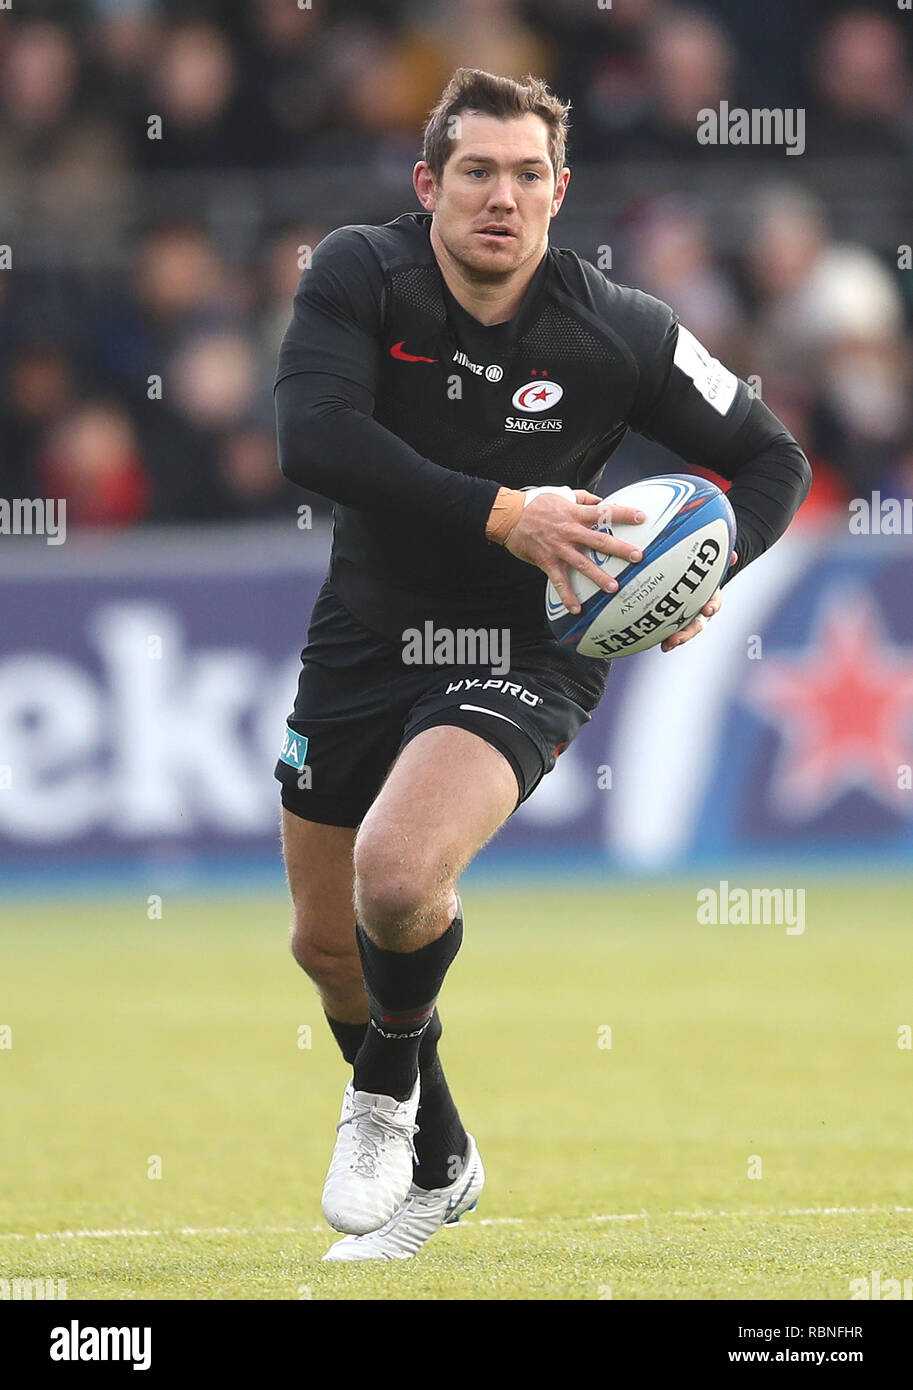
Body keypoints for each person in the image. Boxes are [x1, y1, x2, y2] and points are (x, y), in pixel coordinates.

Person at [273, 68, 811, 1261]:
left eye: (527, 175)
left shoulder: (619, 326)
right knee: (323, 941)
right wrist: (502, 508)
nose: (501, 197)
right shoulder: (360, 273)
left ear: (560, 193)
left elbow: (774, 462)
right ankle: (441, 1157)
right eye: (476, 171)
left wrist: (712, 568)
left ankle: (376, 1103)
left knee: (399, 875)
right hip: (364, 633)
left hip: (531, 644)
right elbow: (314, 439)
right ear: (429, 185)